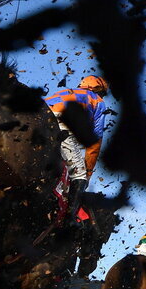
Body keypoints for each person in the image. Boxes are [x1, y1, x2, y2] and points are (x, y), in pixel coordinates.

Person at [44, 76, 109, 221]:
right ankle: (69, 221)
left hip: (41, 119)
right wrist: (89, 172)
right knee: (79, 175)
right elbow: (95, 142)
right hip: (62, 126)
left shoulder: (65, 91)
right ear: (99, 90)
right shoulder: (98, 101)